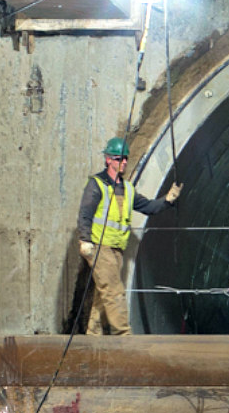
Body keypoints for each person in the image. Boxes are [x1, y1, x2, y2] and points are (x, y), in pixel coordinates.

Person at [77, 137, 182, 335]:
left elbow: (149, 207)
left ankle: (93, 336)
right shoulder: (96, 185)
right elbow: (85, 213)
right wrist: (84, 239)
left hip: (117, 249)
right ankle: (123, 334)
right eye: (118, 159)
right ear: (108, 160)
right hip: (99, 246)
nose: (123, 162)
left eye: (125, 159)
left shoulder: (127, 189)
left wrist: (167, 200)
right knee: (114, 291)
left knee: (104, 293)